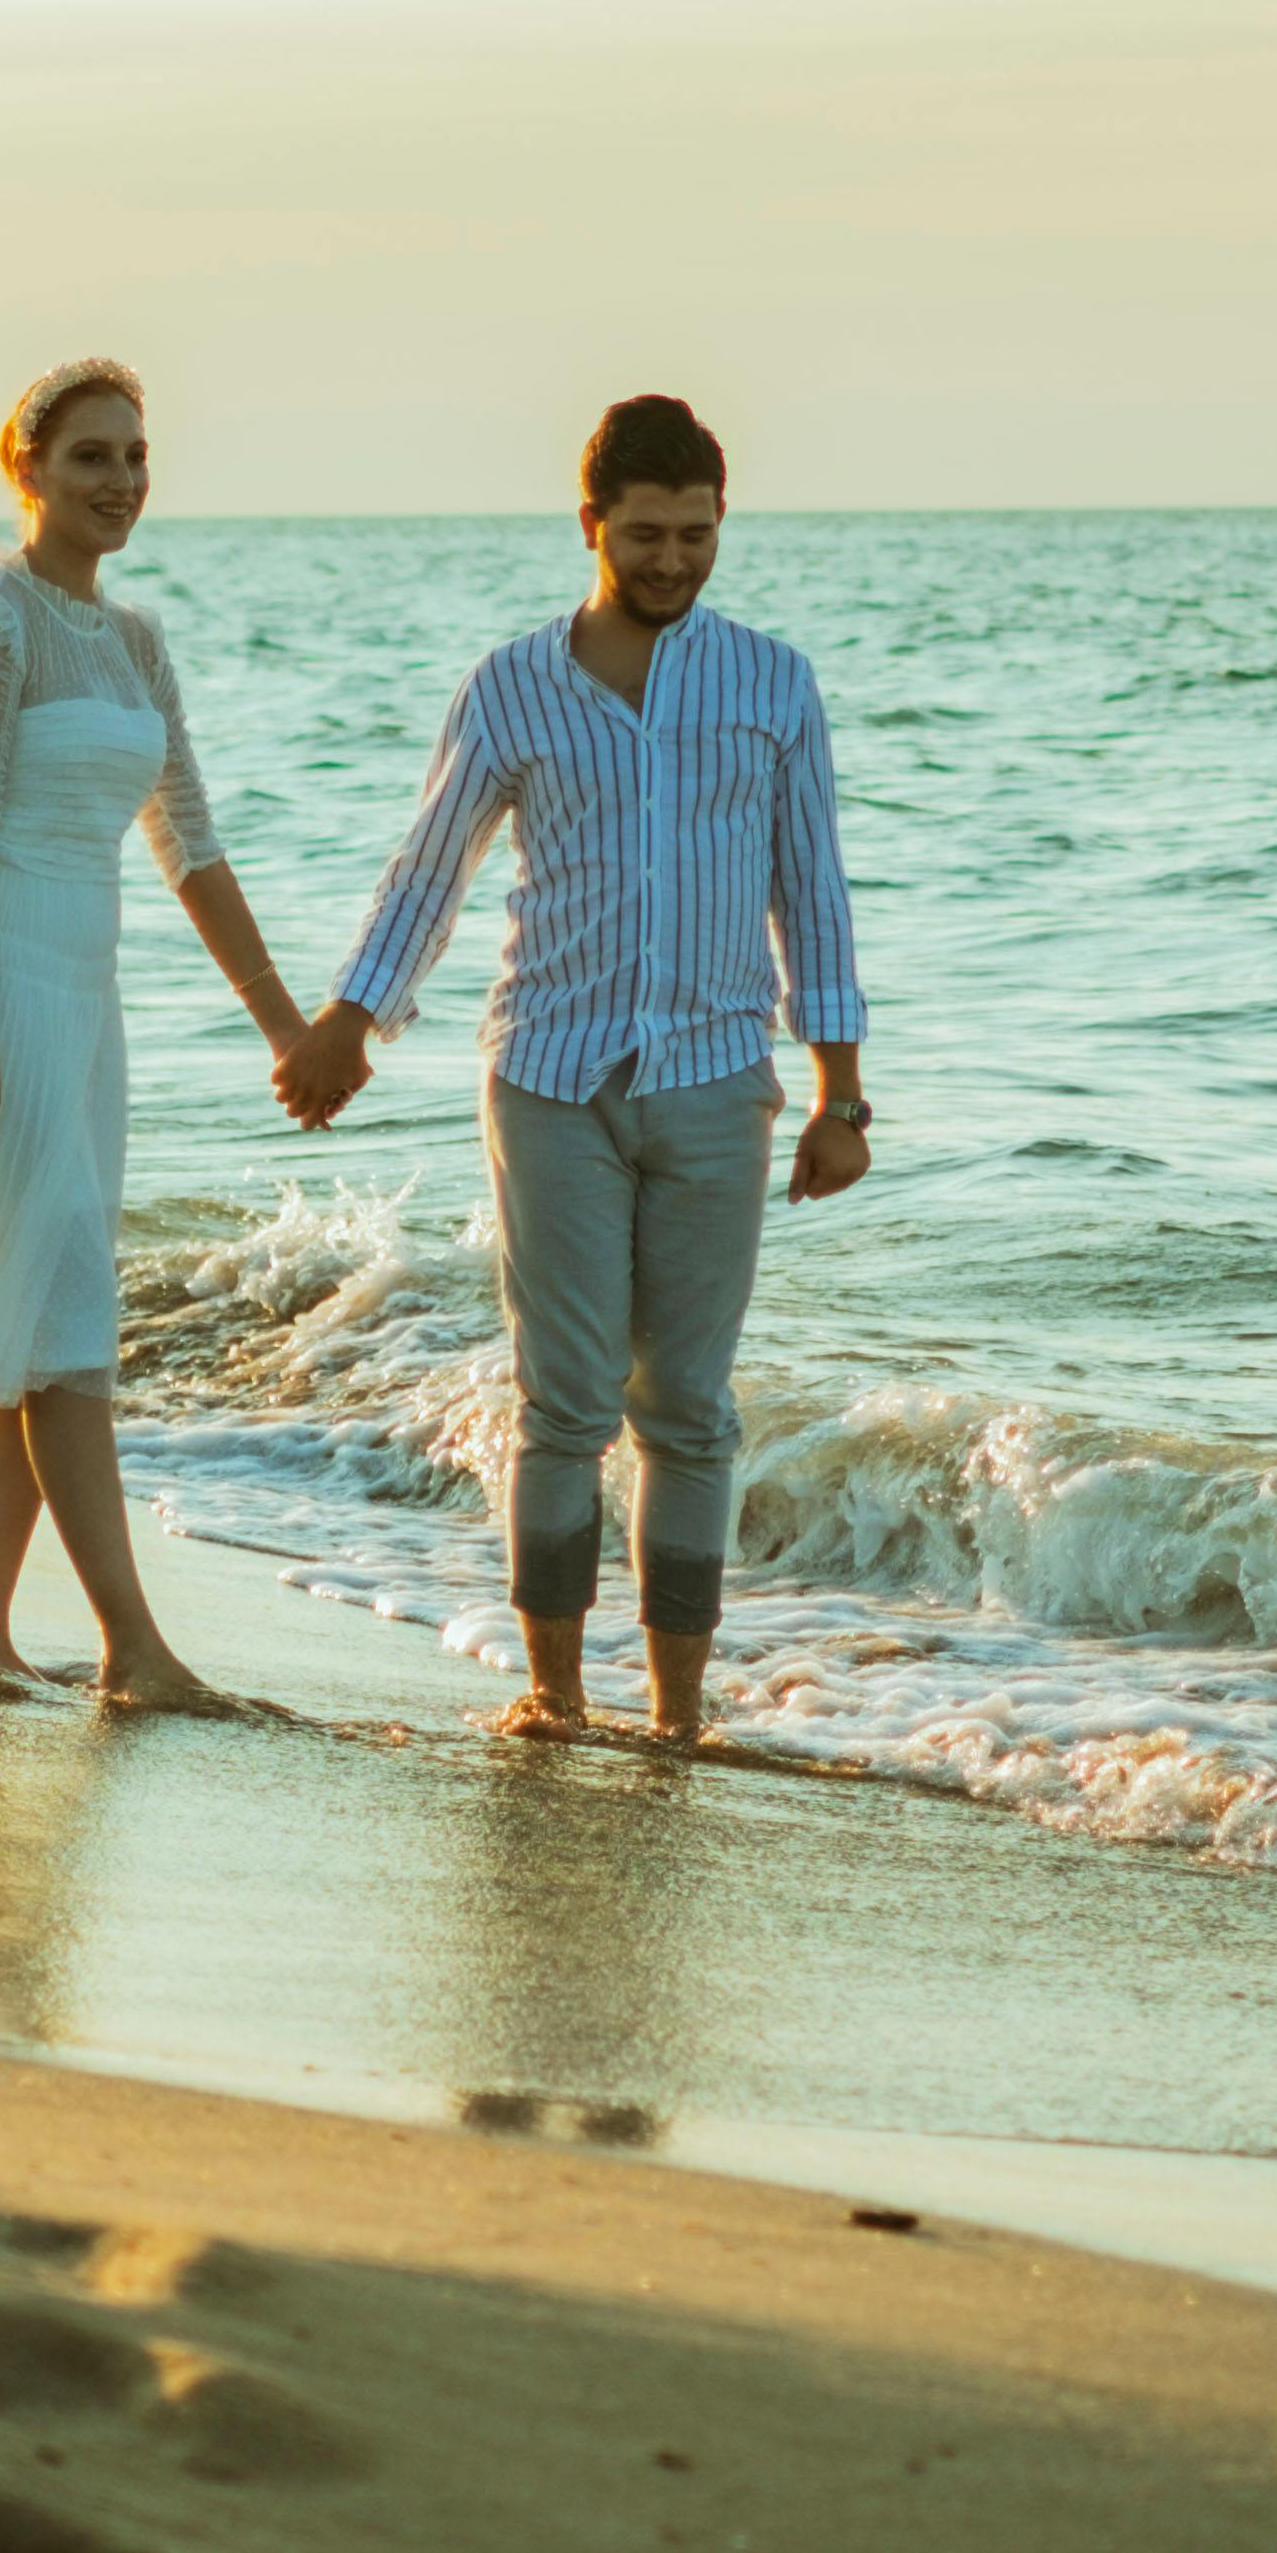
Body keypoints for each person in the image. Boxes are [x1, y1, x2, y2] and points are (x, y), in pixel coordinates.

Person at [278, 393, 870, 1742]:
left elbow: (812, 893)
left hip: (720, 1077)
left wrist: (842, 1092)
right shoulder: (513, 687)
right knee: (565, 1398)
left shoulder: (771, 683)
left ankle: (675, 1714)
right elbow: (431, 870)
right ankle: (552, 1697)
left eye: (698, 536)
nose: (672, 562)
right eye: (647, 535)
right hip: (549, 1079)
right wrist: (349, 1021)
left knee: (690, 1408)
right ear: (590, 524)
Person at [0, 358, 309, 1705]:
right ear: (25, 468)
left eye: (137, 458)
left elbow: (191, 844)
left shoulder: (135, 641)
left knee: (36, 1299)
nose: (120, 484)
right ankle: (134, 1651)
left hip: (85, 997)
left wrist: (286, 1026)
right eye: (92, 458)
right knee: (71, 1310)